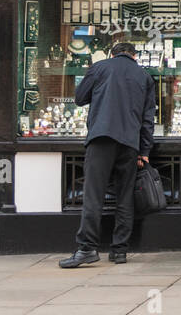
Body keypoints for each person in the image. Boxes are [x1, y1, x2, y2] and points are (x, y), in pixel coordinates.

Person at [58, 40, 156, 268]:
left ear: (113, 54)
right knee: (125, 197)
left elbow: (80, 98)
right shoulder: (144, 77)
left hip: (101, 138)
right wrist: (145, 151)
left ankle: (87, 249)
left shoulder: (100, 67)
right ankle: (119, 250)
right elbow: (147, 119)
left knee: (94, 195)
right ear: (135, 56)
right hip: (130, 143)